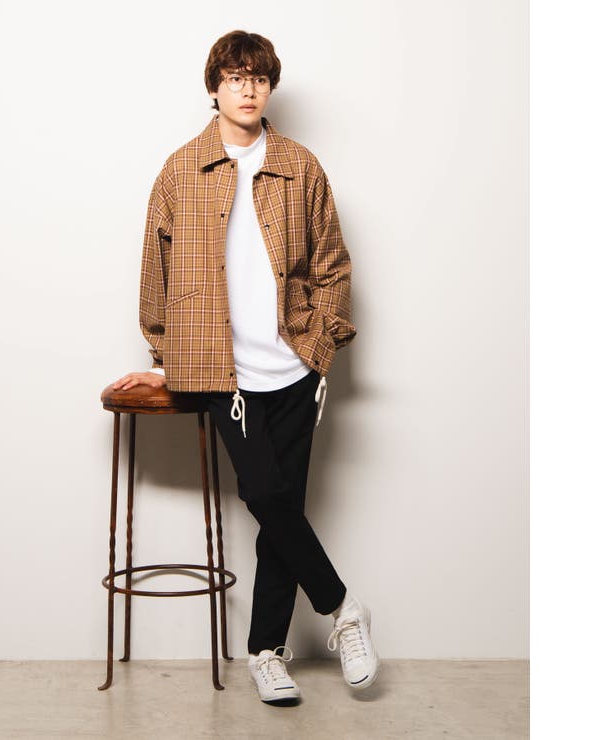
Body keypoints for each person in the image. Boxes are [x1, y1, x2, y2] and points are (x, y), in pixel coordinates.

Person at [111, 30, 379, 704]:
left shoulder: (300, 167)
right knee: (265, 493)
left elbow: (333, 265)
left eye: (258, 77)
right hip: (220, 373)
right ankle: (342, 607)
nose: (248, 88)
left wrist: (319, 347)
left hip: (294, 369)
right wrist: (163, 358)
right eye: (234, 77)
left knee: (279, 509)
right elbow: (155, 271)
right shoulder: (181, 170)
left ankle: (265, 653)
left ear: (270, 86)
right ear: (215, 88)